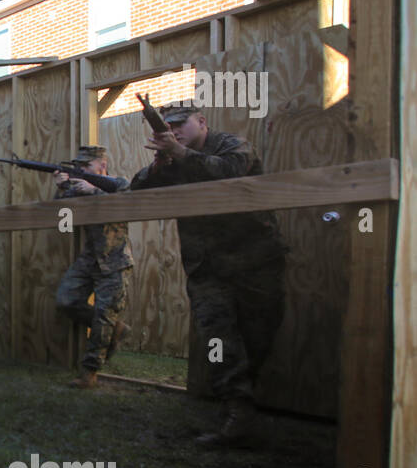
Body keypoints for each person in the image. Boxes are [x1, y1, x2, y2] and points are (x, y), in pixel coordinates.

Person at [130, 103, 287, 447]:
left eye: (180, 124)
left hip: (256, 263)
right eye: (167, 126)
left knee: (258, 336)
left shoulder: (232, 145)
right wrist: (160, 165)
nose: (173, 130)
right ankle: (237, 411)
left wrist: (181, 152)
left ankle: (245, 406)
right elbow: (137, 189)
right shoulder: (174, 159)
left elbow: (230, 172)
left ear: (201, 121)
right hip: (208, 270)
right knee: (216, 338)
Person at [52, 146, 133, 389]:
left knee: (103, 317)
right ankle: (117, 329)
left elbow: (125, 204)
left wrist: (94, 190)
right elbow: (62, 216)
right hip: (89, 258)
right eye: (78, 166)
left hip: (115, 259)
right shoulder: (78, 187)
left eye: (85, 166)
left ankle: (90, 373)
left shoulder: (119, 183)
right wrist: (63, 187)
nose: (80, 170)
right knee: (66, 300)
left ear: (101, 166)